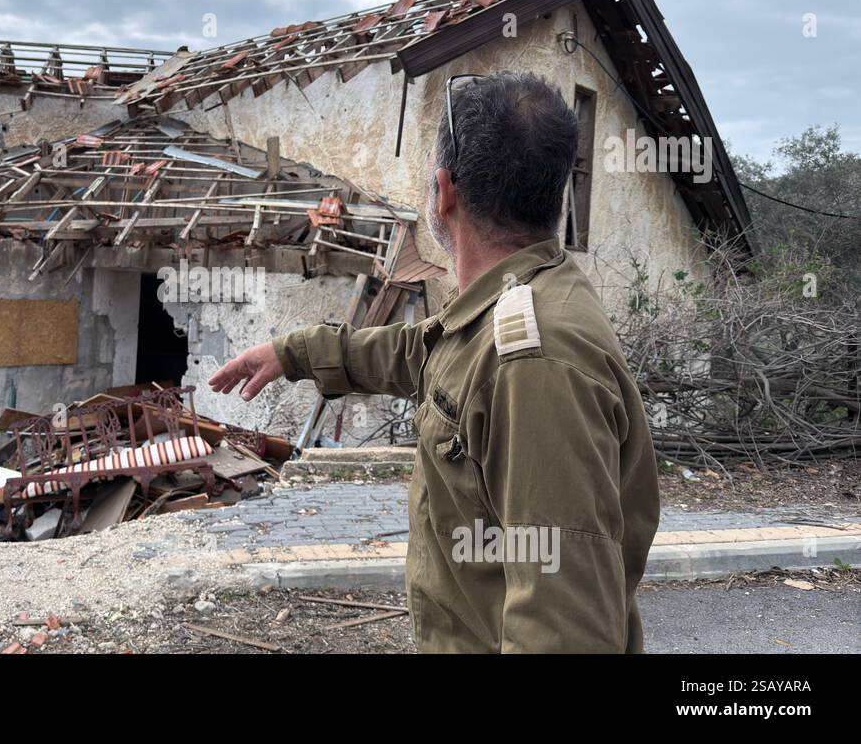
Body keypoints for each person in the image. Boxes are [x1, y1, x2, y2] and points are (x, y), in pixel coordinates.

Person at [208, 72, 659, 653]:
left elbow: (564, 626)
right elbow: (418, 352)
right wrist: (290, 352)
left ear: (443, 191)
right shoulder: (513, 301)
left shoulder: (536, 361)